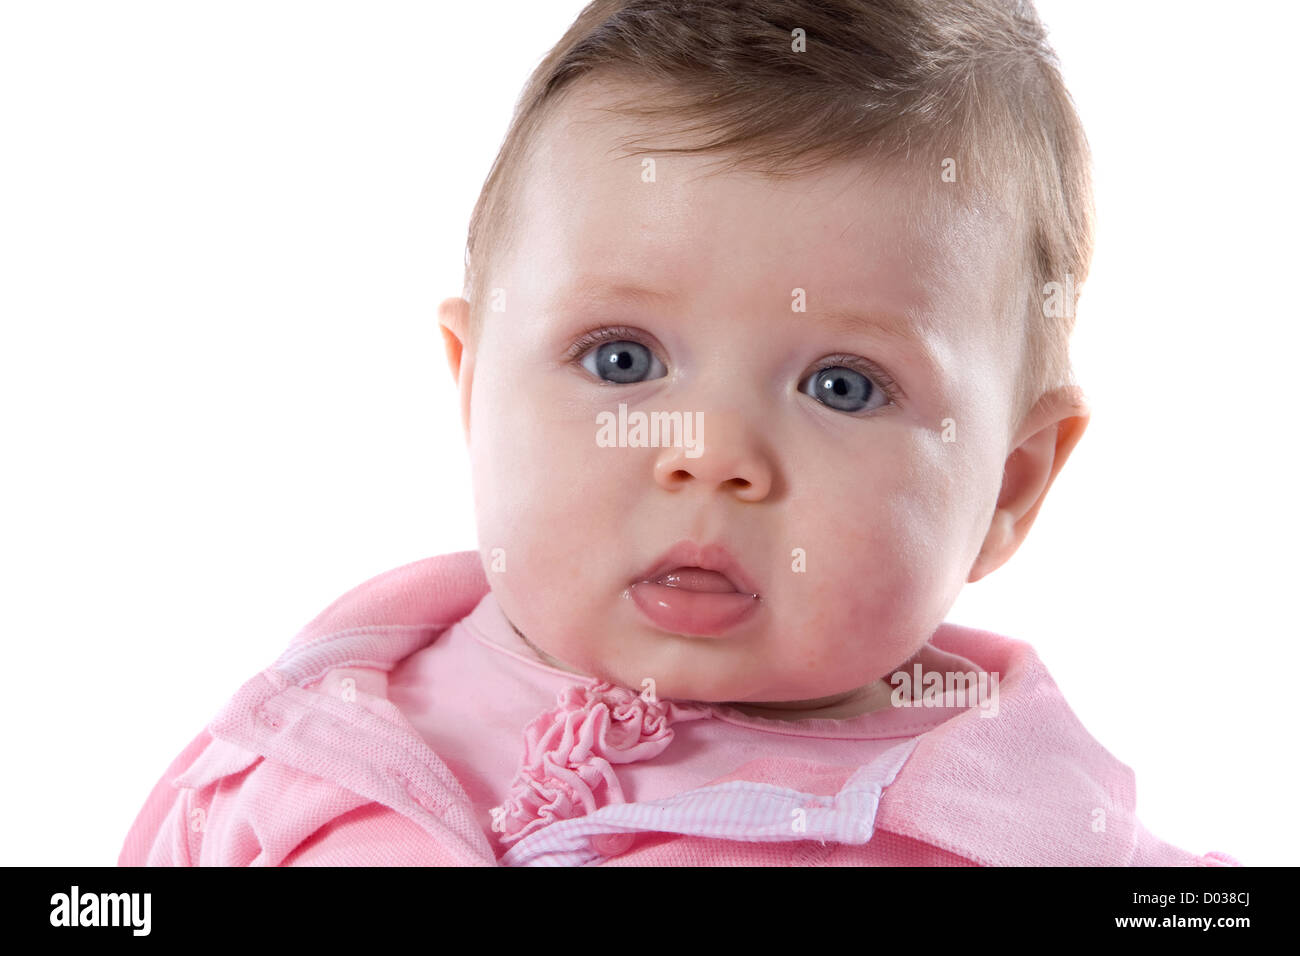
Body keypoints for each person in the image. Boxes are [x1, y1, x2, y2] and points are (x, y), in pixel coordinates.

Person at [119, 0, 1239, 866]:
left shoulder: (1019, 834)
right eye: (622, 359)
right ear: (473, 391)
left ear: (1008, 482)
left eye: (842, 385)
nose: (707, 452)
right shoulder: (295, 742)